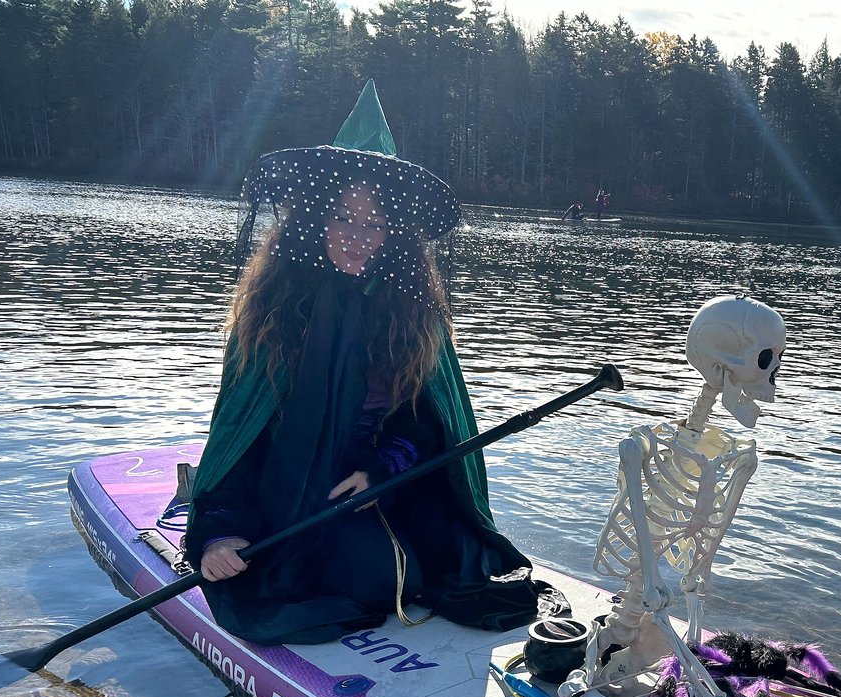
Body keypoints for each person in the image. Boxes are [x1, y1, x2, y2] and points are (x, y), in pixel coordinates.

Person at [184, 80, 560, 645]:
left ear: (395, 235)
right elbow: (240, 433)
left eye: (374, 224)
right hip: (290, 488)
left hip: (380, 482)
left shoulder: (413, 311)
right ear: (313, 221)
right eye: (343, 218)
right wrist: (219, 533)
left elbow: (428, 424)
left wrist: (382, 470)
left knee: (442, 566)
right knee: (368, 581)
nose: (358, 238)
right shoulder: (272, 311)